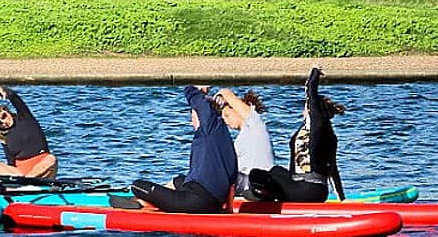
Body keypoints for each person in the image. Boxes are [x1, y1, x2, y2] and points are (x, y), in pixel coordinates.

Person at [130, 85, 238, 214]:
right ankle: (153, 200)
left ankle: (143, 204)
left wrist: (195, 88)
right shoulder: (225, 141)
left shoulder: (209, 127)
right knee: (180, 180)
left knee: (137, 185)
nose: (192, 120)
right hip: (214, 204)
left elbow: (194, 96)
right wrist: (229, 211)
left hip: (194, 203)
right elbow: (231, 183)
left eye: (193, 114)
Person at [249, 67, 346, 203]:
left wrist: (315, 73)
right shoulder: (329, 134)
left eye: (306, 106)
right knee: (275, 171)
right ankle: (278, 201)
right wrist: (341, 199)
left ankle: (269, 206)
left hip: (306, 191)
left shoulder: (317, 126)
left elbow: (311, 91)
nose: (303, 110)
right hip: (316, 191)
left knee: (256, 175)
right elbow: (333, 170)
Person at [0, 83, 58, 179]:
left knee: (51, 159)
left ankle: (25, 182)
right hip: (19, 172)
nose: (5, 122)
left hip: (42, 166)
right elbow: (11, 163)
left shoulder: (25, 117)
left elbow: (11, 94)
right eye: (0, 124)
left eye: (3, 116)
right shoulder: (3, 136)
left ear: (5, 110)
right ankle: (21, 183)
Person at [216, 87, 273, 201]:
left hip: (258, 182)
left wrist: (223, 94)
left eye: (227, 115)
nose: (226, 121)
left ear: (237, 110)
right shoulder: (243, 136)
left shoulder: (256, 126)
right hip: (246, 183)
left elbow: (229, 95)